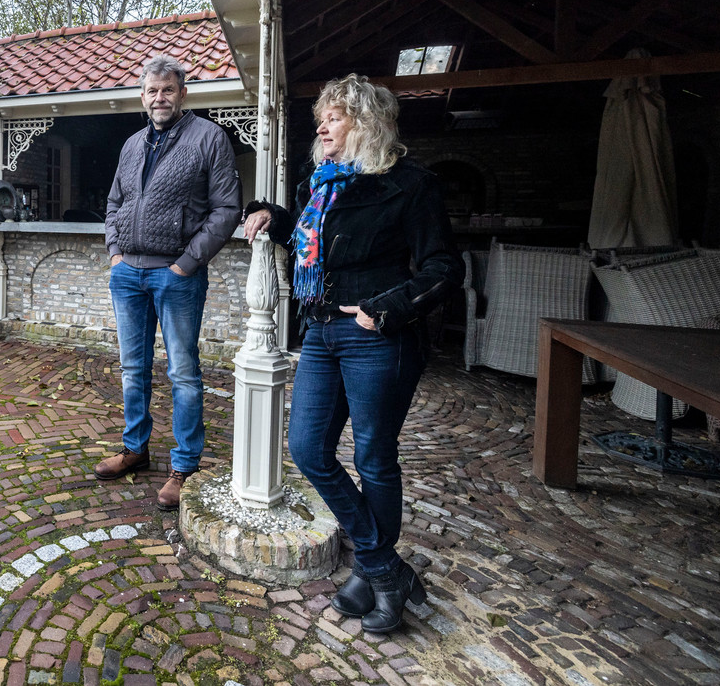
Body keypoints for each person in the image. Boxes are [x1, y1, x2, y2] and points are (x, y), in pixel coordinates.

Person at [243, 73, 462, 634]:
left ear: (366, 124)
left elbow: (443, 269)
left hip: (376, 337)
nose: (322, 125)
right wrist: (275, 215)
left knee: (374, 458)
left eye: (335, 116)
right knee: (308, 447)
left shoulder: (410, 184)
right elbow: (315, 243)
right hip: (319, 332)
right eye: (323, 115)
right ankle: (385, 567)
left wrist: (384, 308)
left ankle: (372, 572)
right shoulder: (321, 186)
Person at [95, 54, 241, 511]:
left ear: (183, 93)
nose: (160, 98)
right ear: (143, 96)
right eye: (152, 91)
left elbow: (226, 209)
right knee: (132, 368)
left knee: (182, 373)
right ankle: (135, 449)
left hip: (175, 276)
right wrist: (116, 255)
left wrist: (186, 263)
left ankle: (184, 465)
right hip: (128, 275)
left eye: (168, 90)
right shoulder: (132, 144)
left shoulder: (208, 138)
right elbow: (115, 202)